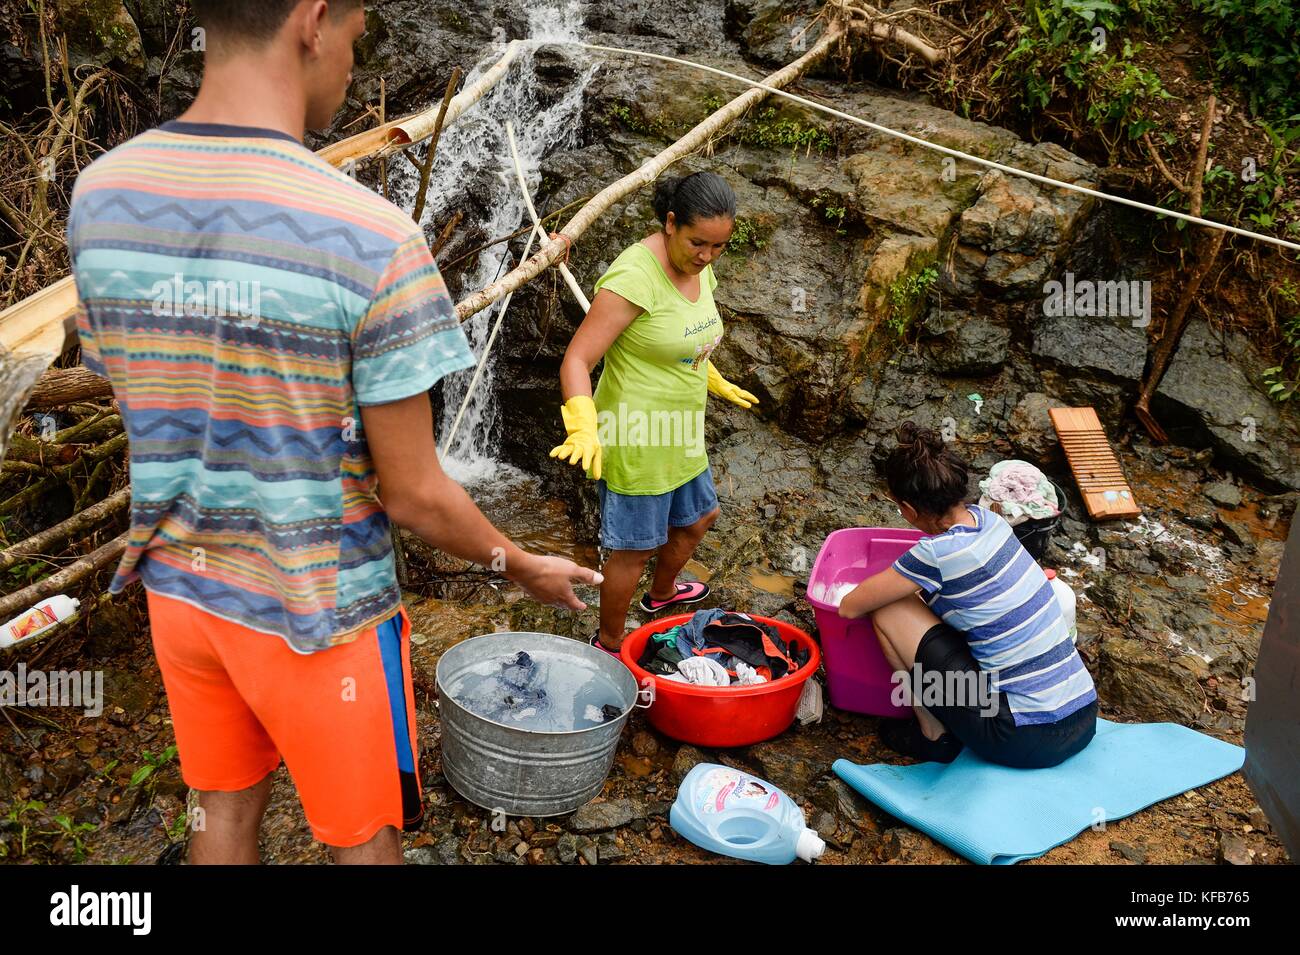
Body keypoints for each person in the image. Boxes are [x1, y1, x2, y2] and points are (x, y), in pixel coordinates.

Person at [66, 0, 598, 864]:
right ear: (312, 21)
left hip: (183, 595)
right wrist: (521, 559)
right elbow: (417, 495)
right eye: (357, 37)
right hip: (320, 621)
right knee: (363, 841)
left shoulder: (102, 194)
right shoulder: (371, 237)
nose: (354, 65)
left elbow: (140, 384)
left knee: (222, 814)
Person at [550, 172, 760, 654]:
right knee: (634, 547)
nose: (706, 257)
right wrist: (583, 424)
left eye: (719, 246)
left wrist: (710, 373)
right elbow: (577, 360)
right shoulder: (634, 277)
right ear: (670, 223)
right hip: (636, 432)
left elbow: (682, 332)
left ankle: (661, 595)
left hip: (682, 428)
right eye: (698, 243)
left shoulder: (700, 263)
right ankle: (607, 643)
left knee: (697, 519)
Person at [838, 423, 1098, 768]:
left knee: (889, 609)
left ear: (909, 509)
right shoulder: (993, 522)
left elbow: (848, 607)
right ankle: (946, 726)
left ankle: (934, 737)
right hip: (1083, 715)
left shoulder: (936, 554)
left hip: (1023, 737)